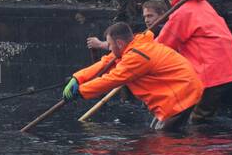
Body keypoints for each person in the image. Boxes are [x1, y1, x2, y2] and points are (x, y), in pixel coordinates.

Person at [65, 22, 203, 130]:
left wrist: (81, 92)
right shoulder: (135, 46)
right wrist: (77, 78)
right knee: (160, 132)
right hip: (181, 92)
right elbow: (106, 62)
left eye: (110, 45)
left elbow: (113, 79)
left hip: (181, 95)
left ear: (119, 43)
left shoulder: (137, 56)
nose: (109, 48)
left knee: (165, 139)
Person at [157, 0, 232, 122]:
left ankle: (202, 144)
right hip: (226, 67)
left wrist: (134, 51)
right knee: (205, 113)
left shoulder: (182, 13)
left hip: (210, 71)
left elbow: (161, 45)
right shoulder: (202, 5)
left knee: (198, 119)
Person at [86, 0, 168, 53]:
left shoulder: (160, 31)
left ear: (162, 14)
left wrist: (100, 44)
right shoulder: (153, 31)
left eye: (150, 16)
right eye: (145, 17)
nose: (146, 20)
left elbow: (129, 46)